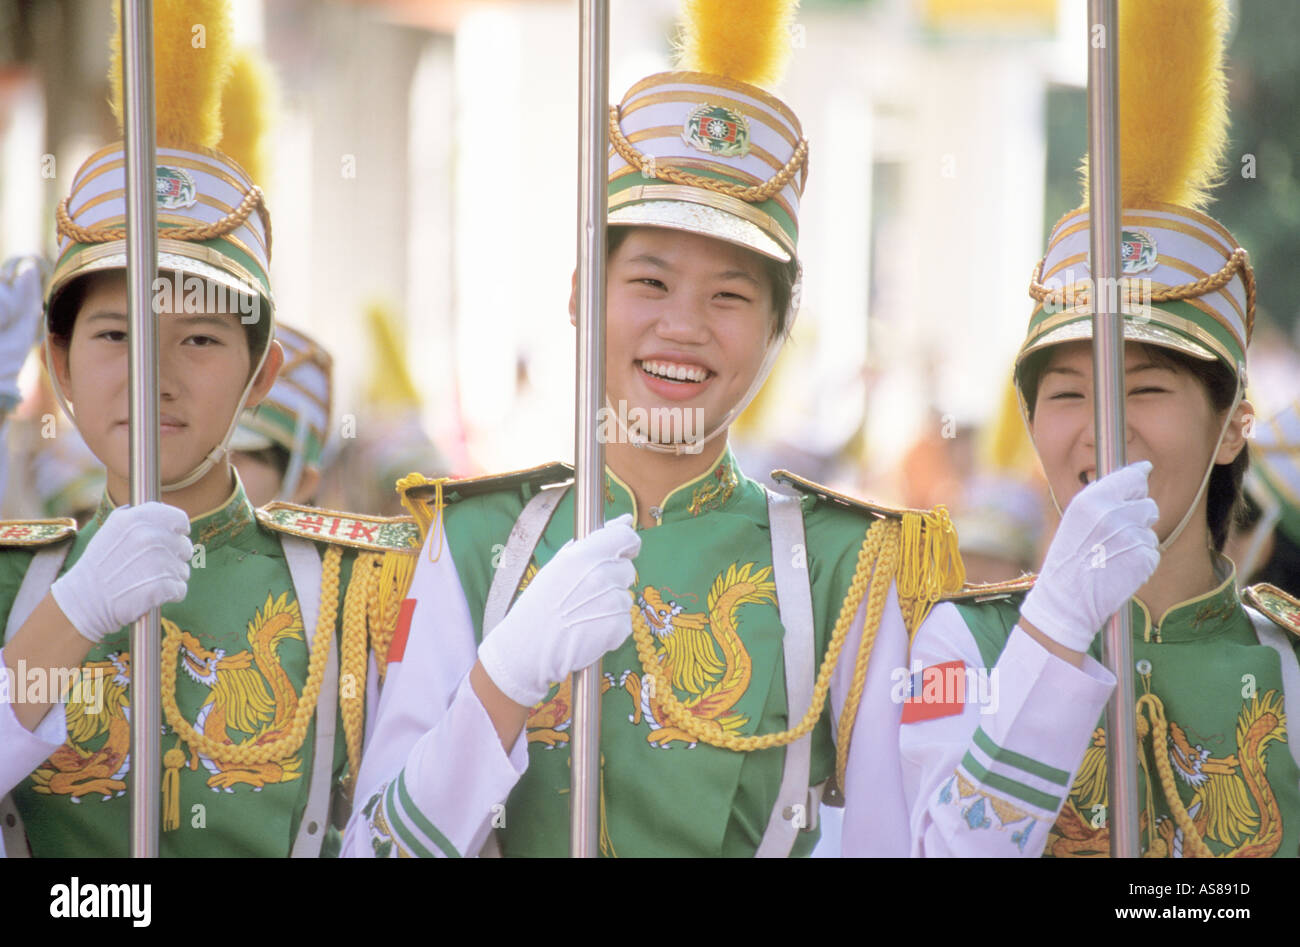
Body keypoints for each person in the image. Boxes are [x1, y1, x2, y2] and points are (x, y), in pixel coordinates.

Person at [342, 0, 964, 858]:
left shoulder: (845, 567)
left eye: (731, 296)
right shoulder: (478, 539)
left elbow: (895, 846)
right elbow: (380, 849)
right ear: (578, 294)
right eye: (650, 280)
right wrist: (505, 676)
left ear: (780, 331)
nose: (685, 325)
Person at [0, 1, 415, 857]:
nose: (156, 375)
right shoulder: (18, 583)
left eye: (198, 338)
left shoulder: (352, 592)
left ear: (261, 377)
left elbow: (412, 824)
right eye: (116, 335)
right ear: (61, 361)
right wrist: (69, 613)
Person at [898, 0, 1300, 858]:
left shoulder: (1289, 663)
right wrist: (1056, 623)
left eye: (1146, 389)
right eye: (1070, 394)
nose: (1105, 433)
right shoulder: (960, 642)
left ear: (1233, 427)